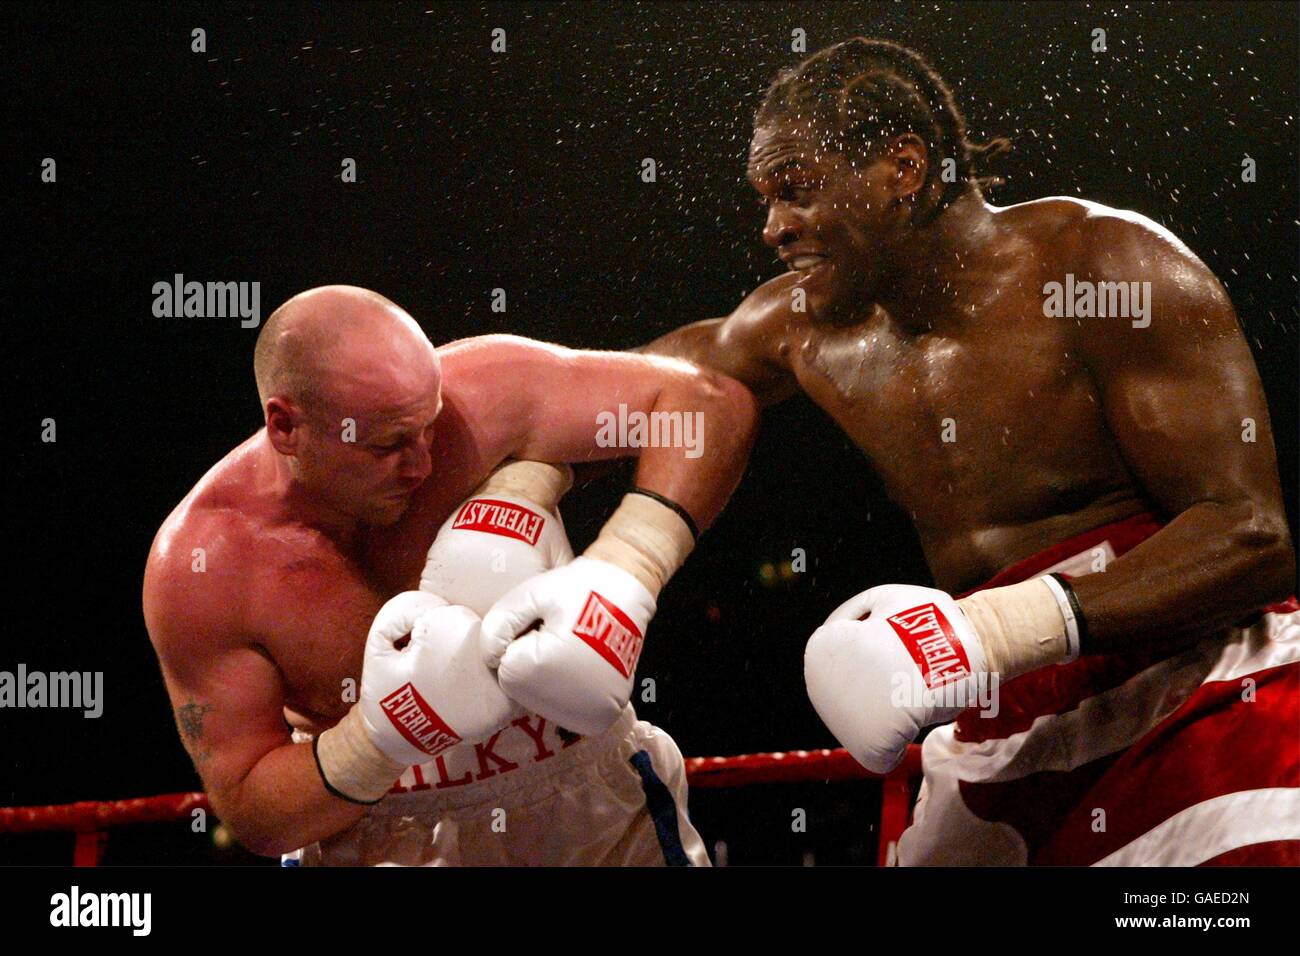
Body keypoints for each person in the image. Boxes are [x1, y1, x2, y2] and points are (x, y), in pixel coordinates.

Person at [640, 38, 1298, 865]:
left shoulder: (1101, 266)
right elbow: (624, 394)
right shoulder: (802, 329)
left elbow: (1252, 535)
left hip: (1187, 679)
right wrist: (469, 438)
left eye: (796, 191)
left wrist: (984, 633)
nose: (772, 227)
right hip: (996, 711)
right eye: (765, 199)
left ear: (901, 170)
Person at [143, 284, 756, 865]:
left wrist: (627, 568)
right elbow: (252, 811)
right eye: (387, 445)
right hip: (382, 834)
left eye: (429, 426)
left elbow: (708, 403)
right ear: (286, 427)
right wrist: (378, 738)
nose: (424, 462)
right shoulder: (206, 569)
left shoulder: (483, 393)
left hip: (591, 806)